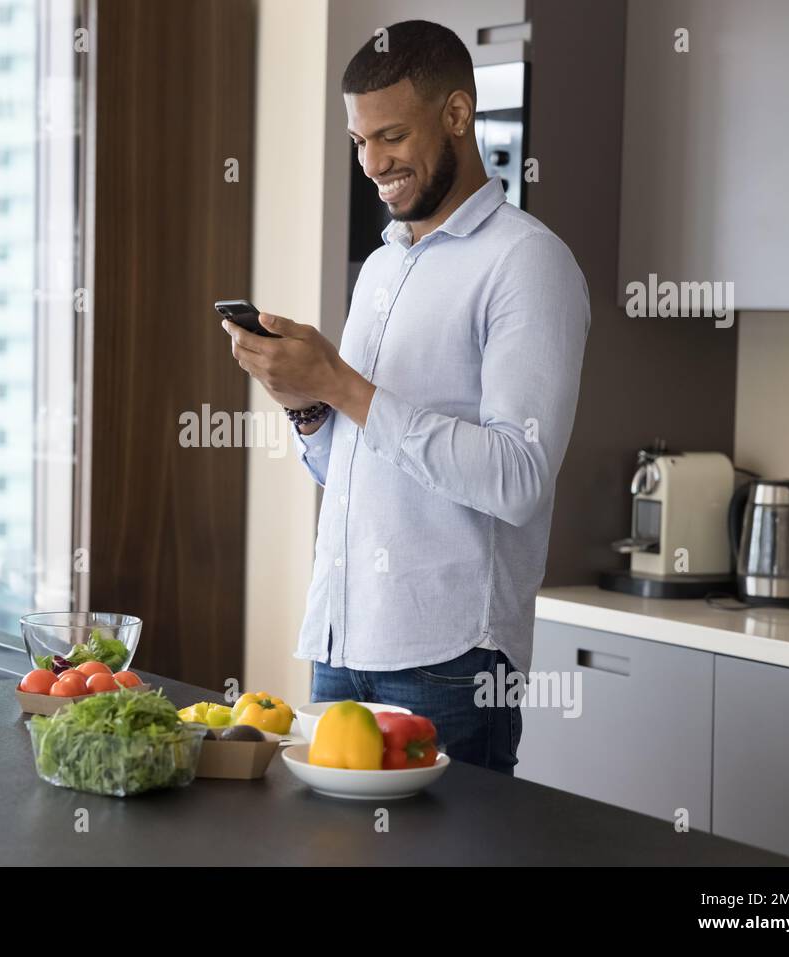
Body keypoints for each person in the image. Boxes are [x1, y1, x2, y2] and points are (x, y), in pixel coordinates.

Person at [222, 20, 589, 773]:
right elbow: (350, 465)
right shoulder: (385, 266)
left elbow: (518, 479)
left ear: (457, 114)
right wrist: (304, 402)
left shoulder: (529, 265)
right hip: (340, 644)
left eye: (390, 136)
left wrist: (344, 385)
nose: (372, 163)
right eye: (359, 141)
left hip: (450, 661)